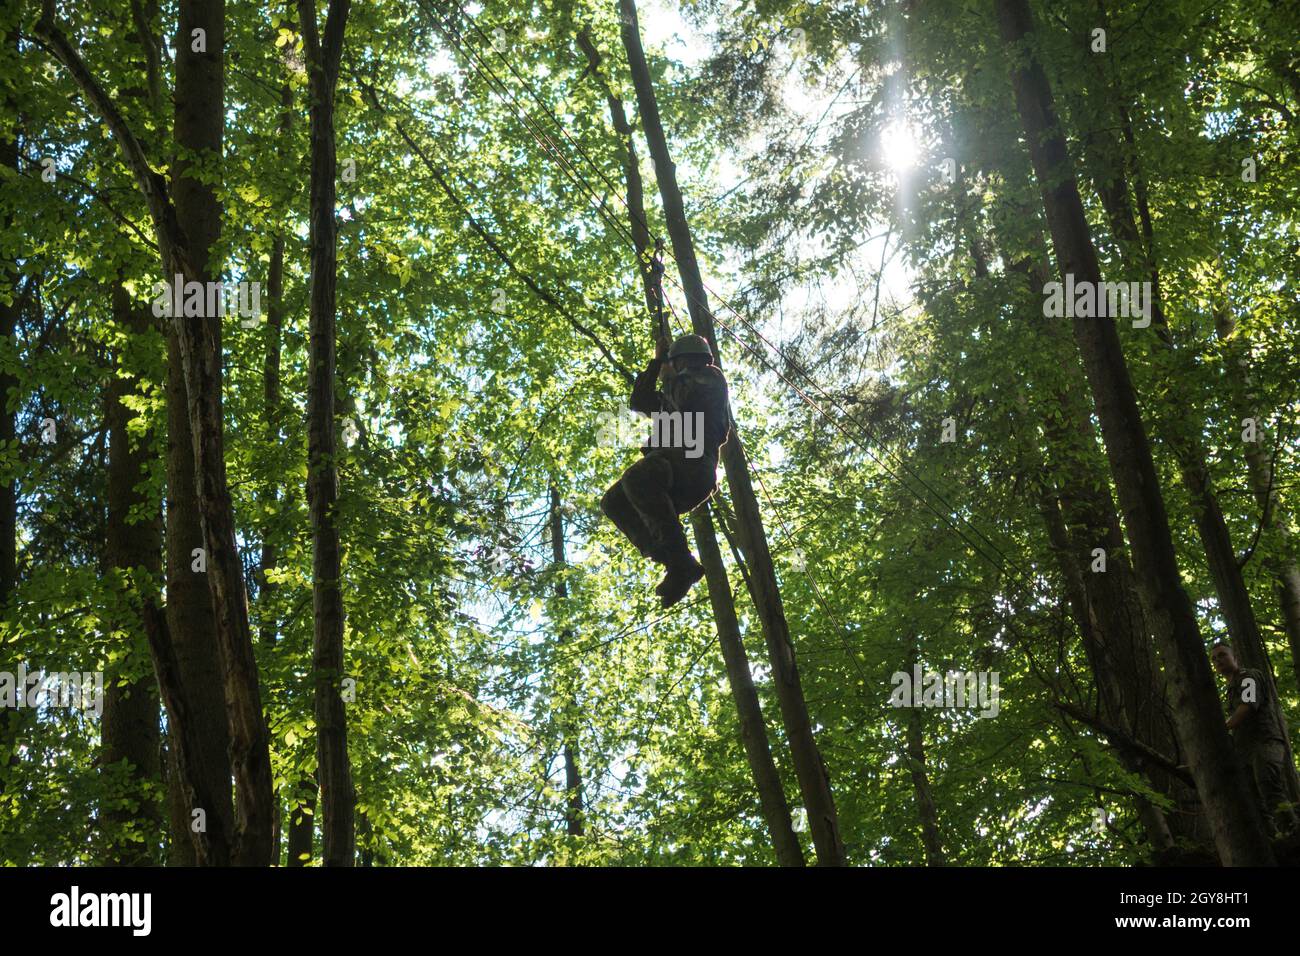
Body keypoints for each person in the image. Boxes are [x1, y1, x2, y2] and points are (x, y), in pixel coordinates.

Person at [601, 333, 730, 608]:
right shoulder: (671, 394)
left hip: (694, 465)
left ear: (690, 360)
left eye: (678, 362)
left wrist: (669, 375)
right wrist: (656, 363)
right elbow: (640, 401)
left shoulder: (709, 378)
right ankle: (677, 562)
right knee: (614, 501)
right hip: (670, 471)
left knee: (638, 476)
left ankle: (680, 561)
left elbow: (686, 400)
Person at [1210, 641, 1298, 836]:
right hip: (1244, 751)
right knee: (1253, 800)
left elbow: (1247, 706)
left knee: (1268, 785)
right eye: (1214, 659)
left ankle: (1293, 834)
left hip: (1265, 741)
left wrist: (1222, 728)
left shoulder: (1249, 677)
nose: (1218, 661)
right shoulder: (1231, 689)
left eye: (1223, 655)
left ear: (1235, 657)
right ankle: (1274, 840)